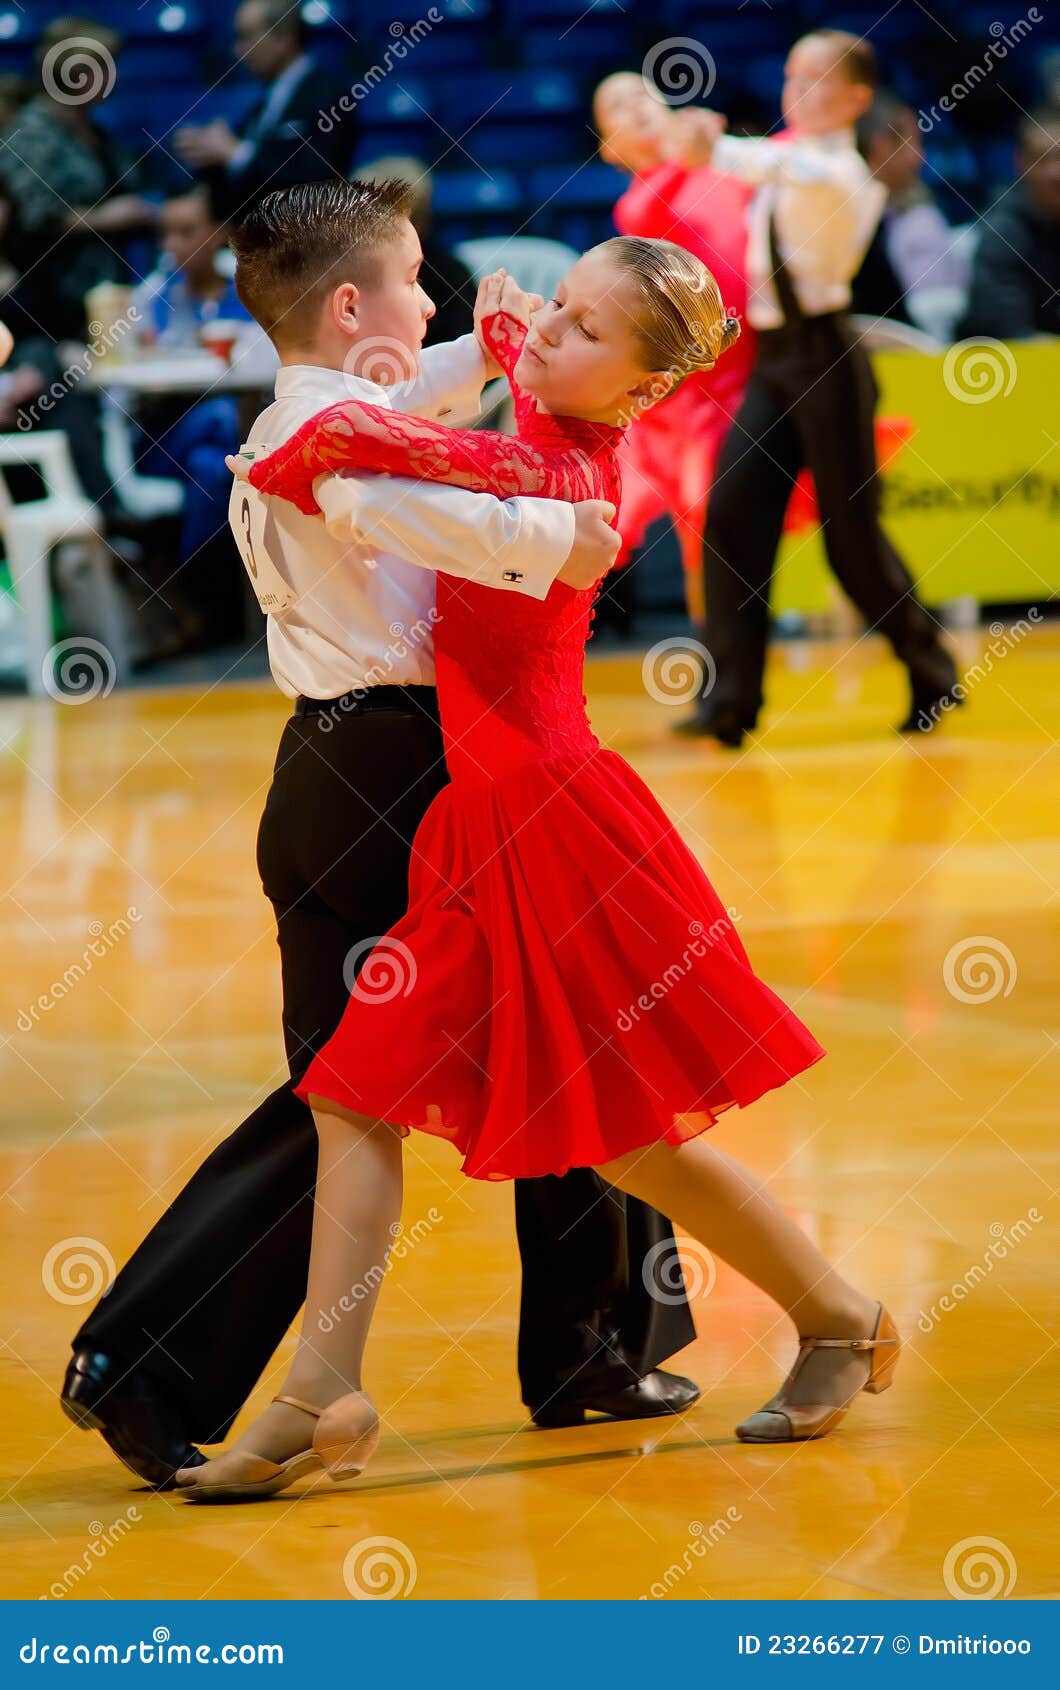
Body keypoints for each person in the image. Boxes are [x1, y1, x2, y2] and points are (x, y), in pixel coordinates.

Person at [180, 243, 900, 1500]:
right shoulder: (546, 396)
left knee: (626, 1144)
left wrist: (305, 444)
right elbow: (502, 366)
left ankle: (841, 1313)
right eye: (560, 308)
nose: (552, 336)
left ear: (635, 391)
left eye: (585, 332)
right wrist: (510, 332)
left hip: (551, 827)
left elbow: (423, 453)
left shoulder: (562, 468)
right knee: (354, 1091)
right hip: (479, 823)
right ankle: (319, 1390)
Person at [61, 181, 698, 1491]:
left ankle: (165, 1360)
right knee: (449, 1070)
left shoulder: (317, 402)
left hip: (335, 769)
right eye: (415, 280)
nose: (433, 298)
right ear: (351, 307)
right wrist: (557, 536)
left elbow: (409, 412)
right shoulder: (329, 435)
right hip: (402, 775)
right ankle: (163, 1359)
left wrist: (502, 346)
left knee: (392, 1080)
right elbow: (386, 492)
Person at [669, 31, 959, 745]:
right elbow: (767, 166)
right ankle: (731, 701)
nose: (798, 88)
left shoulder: (841, 173)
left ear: (857, 98)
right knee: (732, 515)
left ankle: (932, 668)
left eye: (819, 78)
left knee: (851, 543)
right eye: (793, 73)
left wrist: (716, 147)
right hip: (775, 359)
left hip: (829, 359)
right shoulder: (788, 161)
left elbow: (778, 165)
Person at [593, 72, 754, 625]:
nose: (636, 104)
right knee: (700, 518)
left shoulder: (729, 169)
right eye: (617, 105)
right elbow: (653, 211)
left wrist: (726, 150)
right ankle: (717, 654)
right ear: (610, 147)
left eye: (644, 93)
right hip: (690, 397)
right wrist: (702, 152)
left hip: (760, 371)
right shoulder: (638, 207)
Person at [128, 185, 258, 647]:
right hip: (159, 440)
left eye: (186, 232)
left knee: (211, 466)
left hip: (218, 448)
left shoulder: (249, 289)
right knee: (222, 422)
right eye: (167, 234)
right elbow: (125, 371)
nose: (173, 246)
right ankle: (215, 603)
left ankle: (195, 596)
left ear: (220, 234)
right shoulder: (150, 298)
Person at [0, 17, 158, 344]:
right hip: (54, 298)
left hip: (106, 288)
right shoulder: (31, 134)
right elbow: (36, 217)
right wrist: (108, 217)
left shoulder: (97, 132)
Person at [175, 0, 357, 223]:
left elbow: (312, 178)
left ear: (283, 38)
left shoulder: (329, 95)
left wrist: (235, 153)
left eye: (247, 37)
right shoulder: (260, 108)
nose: (238, 50)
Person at [854, 91, 970, 337]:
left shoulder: (900, 216)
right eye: (914, 143)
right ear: (882, 145)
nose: (921, 157)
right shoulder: (854, 224)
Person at [959, 103, 1060, 340]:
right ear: (1021, 162)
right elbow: (1012, 333)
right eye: (1044, 160)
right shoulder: (1002, 231)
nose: (1056, 173)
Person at [355, 156, 479, 349]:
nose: (428, 307)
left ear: (416, 223)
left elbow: (470, 356)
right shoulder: (346, 270)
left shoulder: (452, 276)